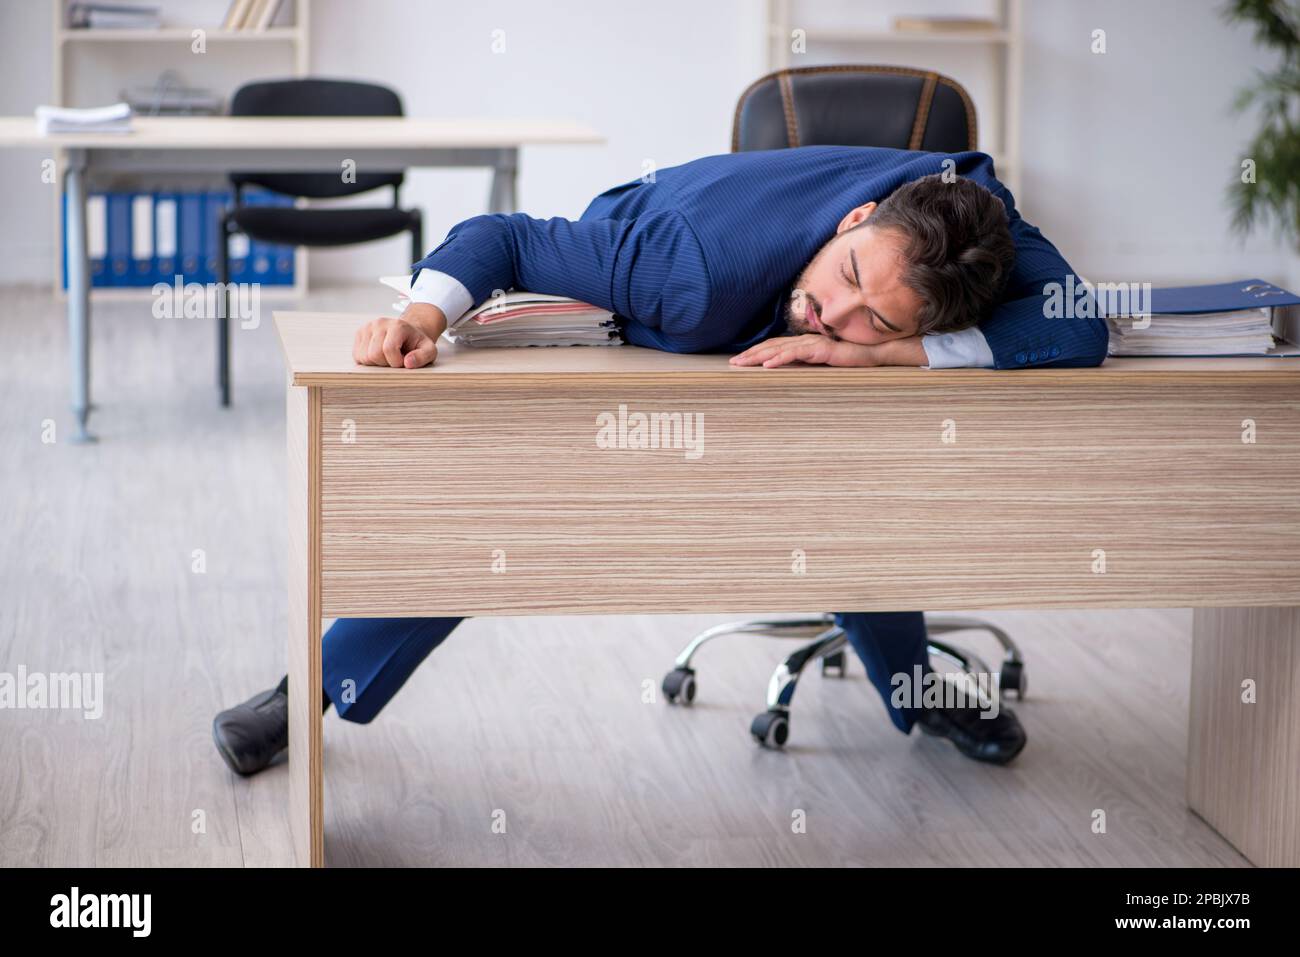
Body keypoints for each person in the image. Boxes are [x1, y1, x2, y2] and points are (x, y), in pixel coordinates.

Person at [213, 145, 1107, 776]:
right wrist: (417, 320)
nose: (839, 313)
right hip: (649, 310)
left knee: (845, 495)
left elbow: (1078, 322)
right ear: (856, 219)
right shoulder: (690, 269)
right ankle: (307, 692)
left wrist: (876, 358)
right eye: (847, 277)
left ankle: (915, 689)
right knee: (508, 509)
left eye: (883, 315)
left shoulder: (977, 224)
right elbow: (507, 234)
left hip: (779, 333)